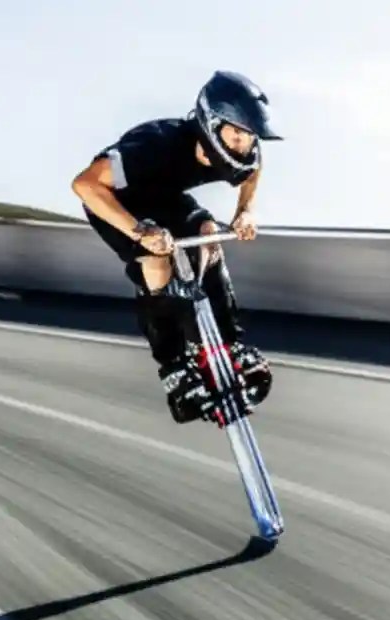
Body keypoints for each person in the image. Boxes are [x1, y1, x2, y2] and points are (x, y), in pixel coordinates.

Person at [71, 70, 282, 424]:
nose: (244, 145)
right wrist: (139, 231)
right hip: (118, 206)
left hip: (164, 197)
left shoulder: (235, 153)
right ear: (211, 124)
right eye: (238, 135)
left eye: (249, 137)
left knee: (209, 234)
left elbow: (254, 168)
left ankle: (230, 346)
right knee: (158, 262)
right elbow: (85, 185)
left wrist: (245, 212)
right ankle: (174, 368)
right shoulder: (156, 146)